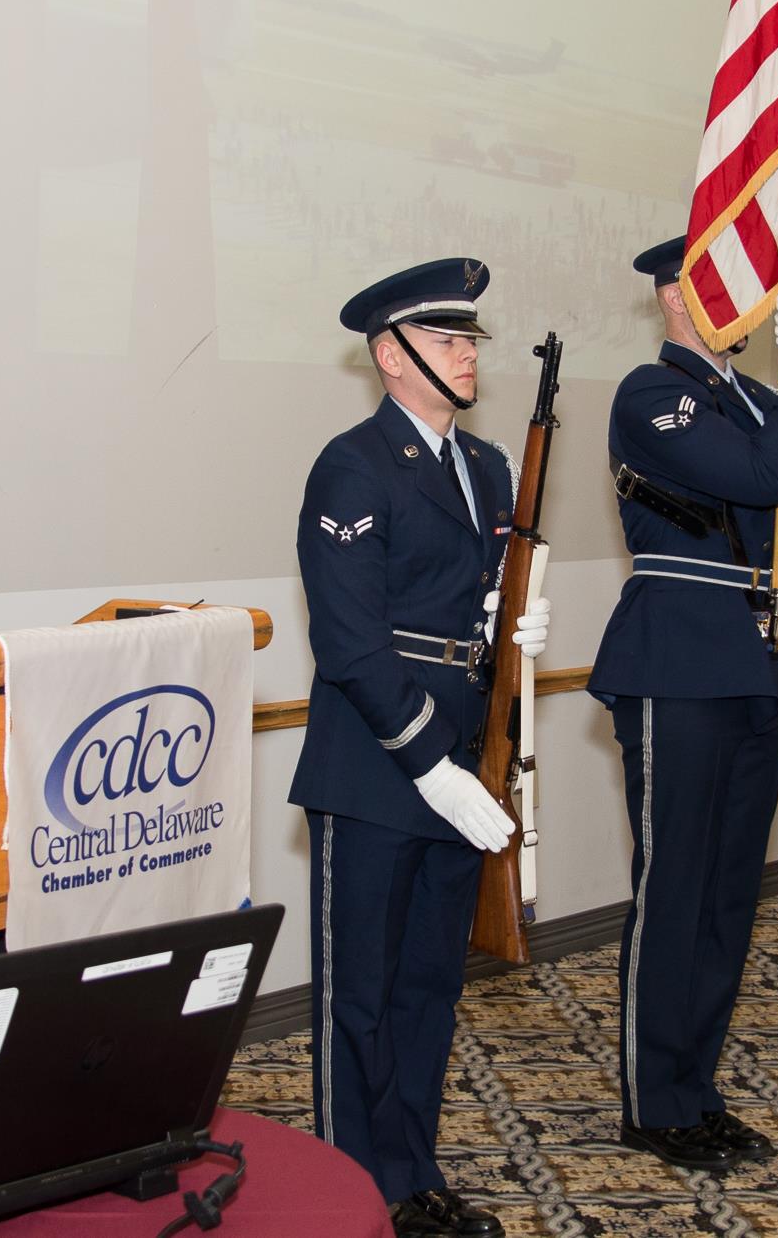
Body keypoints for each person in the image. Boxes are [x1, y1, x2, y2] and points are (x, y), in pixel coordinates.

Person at [292, 258, 549, 1238]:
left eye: (472, 338)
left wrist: (518, 630)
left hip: (463, 762)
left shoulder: (485, 466)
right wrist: (429, 762)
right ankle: (348, 1186)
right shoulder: (352, 465)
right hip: (377, 763)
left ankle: (412, 1171)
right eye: (448, 339)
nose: (468, 352)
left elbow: (479, 597)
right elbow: (350, 642)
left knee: (428, 986)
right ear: (390, 355)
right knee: (358, 992)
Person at [591, 239, 778, 1172]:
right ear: (675, 298)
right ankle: (654, 1103)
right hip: (677, 656)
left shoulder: (750, 404)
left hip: (749, 662)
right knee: (676, 889)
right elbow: (765, 479)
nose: (745, 300)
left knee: (729, 898)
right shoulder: (652, 395)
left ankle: (696, 1088)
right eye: (724, 284)